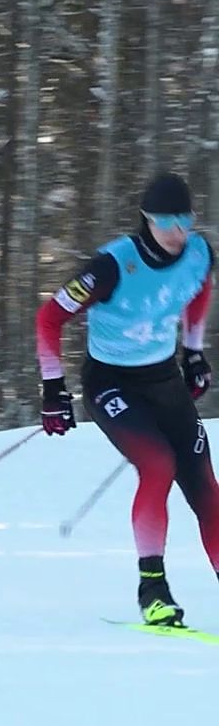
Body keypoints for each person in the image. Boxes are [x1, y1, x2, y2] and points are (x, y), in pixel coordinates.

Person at [37, 172, 215, 627]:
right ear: (147, 220)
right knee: (158, 466)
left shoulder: (199, 252)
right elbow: (48, 319)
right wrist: (54, 389)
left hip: (163, 380)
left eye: (184, 219)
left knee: (204, 487)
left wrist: (194, 351)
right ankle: (152, 590)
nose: (177, 231)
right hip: (110, 383)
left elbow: (199, 289)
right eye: (165, 220)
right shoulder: (111, 266)